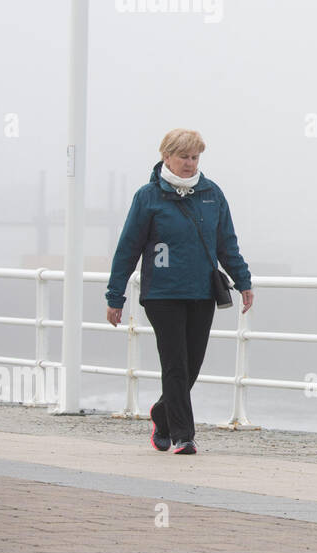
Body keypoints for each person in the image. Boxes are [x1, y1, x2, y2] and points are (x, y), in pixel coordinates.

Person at [105, 129, 253, 454]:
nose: (189, 163)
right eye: (183, 156)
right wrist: (115, 297)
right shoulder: (148, 197)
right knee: (175, 363)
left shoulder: (212, 194)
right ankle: (184, 436)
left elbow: (226, 243)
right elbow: (128, 248)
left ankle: (162, 413)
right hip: (162, 295)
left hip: (202, 293)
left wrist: (243, 281)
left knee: (192, 365)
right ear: (166, 156)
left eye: (194, 157)